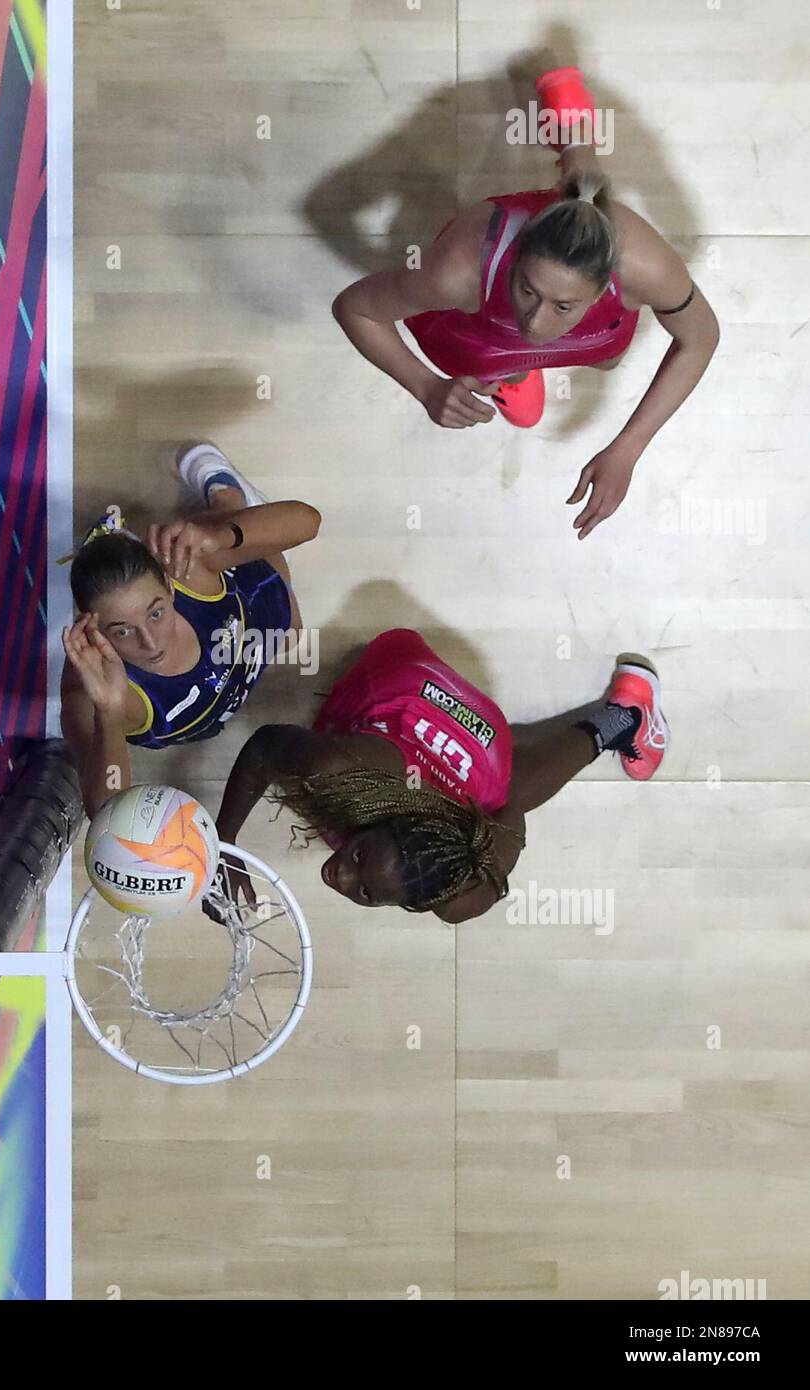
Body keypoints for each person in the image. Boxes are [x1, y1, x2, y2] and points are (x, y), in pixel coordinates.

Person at [332, 80, 719, 539]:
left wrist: (628, 447)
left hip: (578, 318)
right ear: (514, 260)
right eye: (527, 289)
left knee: (588, 201)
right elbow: (355, 308)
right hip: (478, 336)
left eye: (563, 305)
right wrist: (426, 387)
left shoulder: (646, 266)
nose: (536, 322)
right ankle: (514, 375)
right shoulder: (458, 269)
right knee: (512, 373)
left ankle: (577, 139)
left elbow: (701, 337)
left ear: (602, 290)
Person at [214, 628, 667, 923]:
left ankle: (621, 716)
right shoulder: (341, 770)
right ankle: (622, 720)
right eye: (357, 858)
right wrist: (224, 845)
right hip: (400, 670)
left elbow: (509, 820)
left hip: (475, 735)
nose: (341, 878)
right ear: (390, 818)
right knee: (505, 790)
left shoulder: (454, 889)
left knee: (502, 788)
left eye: (368, 892)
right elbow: (265, 746)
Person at [60, 444, 321, 817]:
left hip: (246, 615)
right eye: (122, 632)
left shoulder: (187, 569)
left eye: (155, 614)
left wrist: (224, 536)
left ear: (169, 587)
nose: (150, 643)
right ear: (93, 629)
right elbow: (107, 813)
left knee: (288, 623)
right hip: (226, 680)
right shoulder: (88, 693)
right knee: (291, 634)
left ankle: (227, 497)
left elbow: (309, 521)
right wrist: (109, 710)